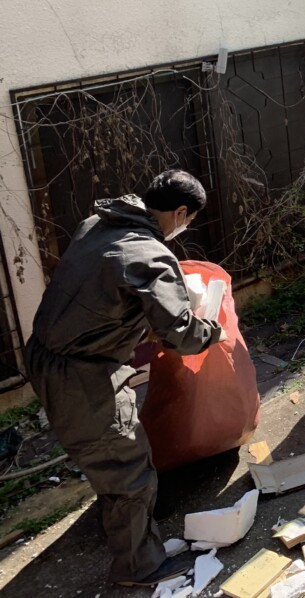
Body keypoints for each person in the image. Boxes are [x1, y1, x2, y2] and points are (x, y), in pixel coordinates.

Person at [26, 170, 224, 587]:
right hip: (85, 376)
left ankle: (122, 525)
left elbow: (101, 290)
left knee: (108, 456)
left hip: (45, 353)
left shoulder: (99, 222)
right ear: (181, 212)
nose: (185, 227)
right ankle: (137, 566)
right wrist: (213, 329)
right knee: (128, 467)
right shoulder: (149, 255)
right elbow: (183, 335)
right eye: (188, 220)